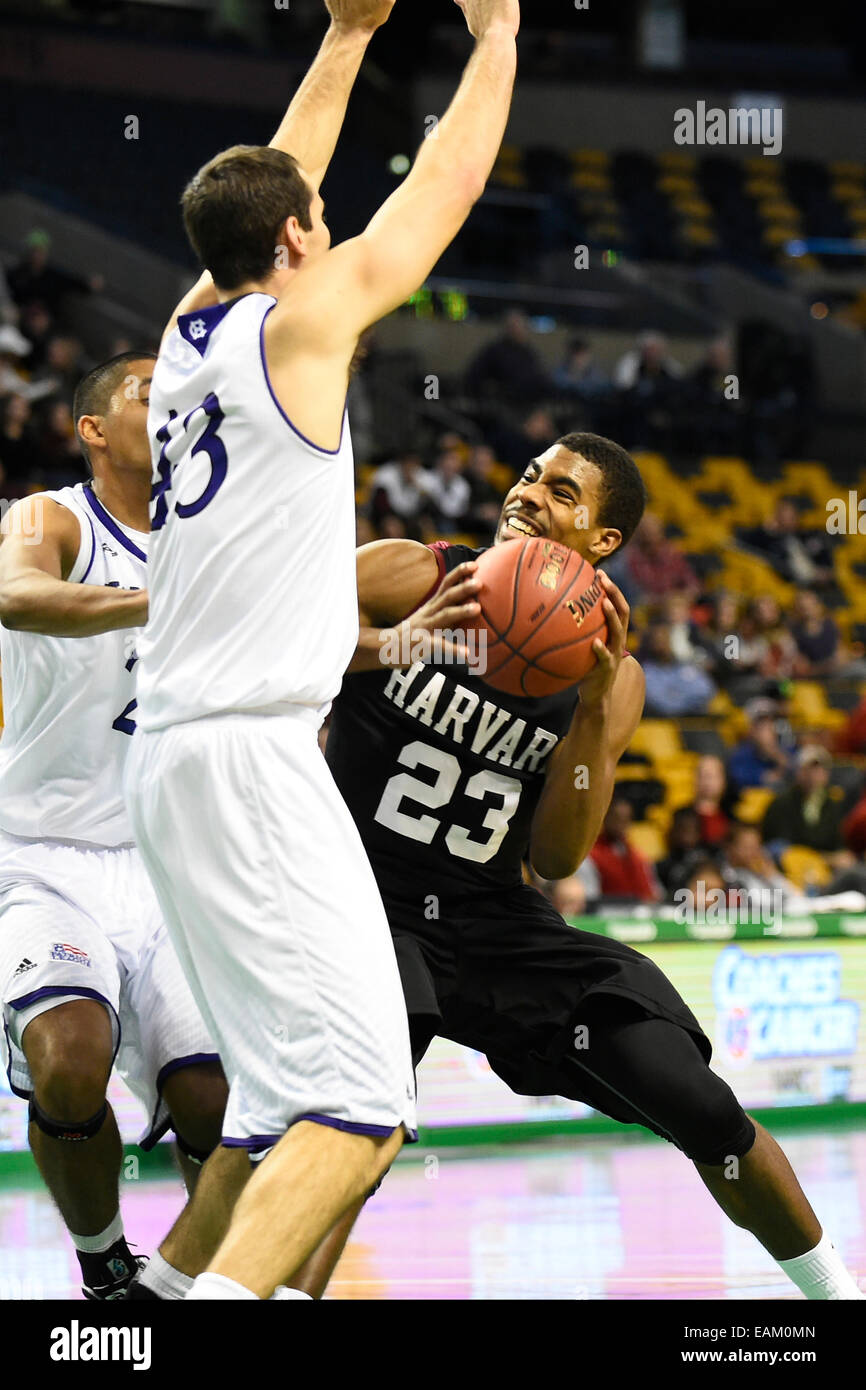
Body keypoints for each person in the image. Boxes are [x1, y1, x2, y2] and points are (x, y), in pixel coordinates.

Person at [123, 0, 522, 1303]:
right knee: (357, 1105)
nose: (336, 229)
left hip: (174, 758)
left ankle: (135, 1315)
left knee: (270, 1115)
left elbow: (268, 186)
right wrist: (498, 40)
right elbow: (443, 191)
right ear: (298, 240)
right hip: (246, 758)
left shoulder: (188, 333)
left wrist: (346, 37)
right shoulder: (300, 327)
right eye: (322, 221)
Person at [321, 427, 863, 1300]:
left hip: (492, 919)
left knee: (698, 1103)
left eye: (561, 492)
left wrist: (591, 711)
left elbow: (557, 854)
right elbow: (262, 637)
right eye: (531, 476)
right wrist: (398, 643)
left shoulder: (615, 679)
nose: (528, 493)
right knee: (353, 1127)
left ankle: (835, 1294)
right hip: (357, 899)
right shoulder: (415, 574)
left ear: (604, 539)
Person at [0, 354, 227, 1300]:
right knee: (68, 1060)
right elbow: (17, 595)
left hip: (170, 863)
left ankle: (205, 1285)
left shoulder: (212, 538)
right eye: (145, 391)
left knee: (214, 1101)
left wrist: (413, 636)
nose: (167, 401)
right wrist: (158, 603)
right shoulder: (47, 518)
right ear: (92, 429)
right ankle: (103, 1268)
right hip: (44, 856)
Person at [761, 746, 849, 866]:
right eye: (809, 770)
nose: (813, 776)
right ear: (798, 772)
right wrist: (821, 858)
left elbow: (838, 844)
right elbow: (781, 846)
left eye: (819, 770)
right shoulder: (782, 803)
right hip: (791, 865)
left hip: (824, 865)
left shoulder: (833, 805)